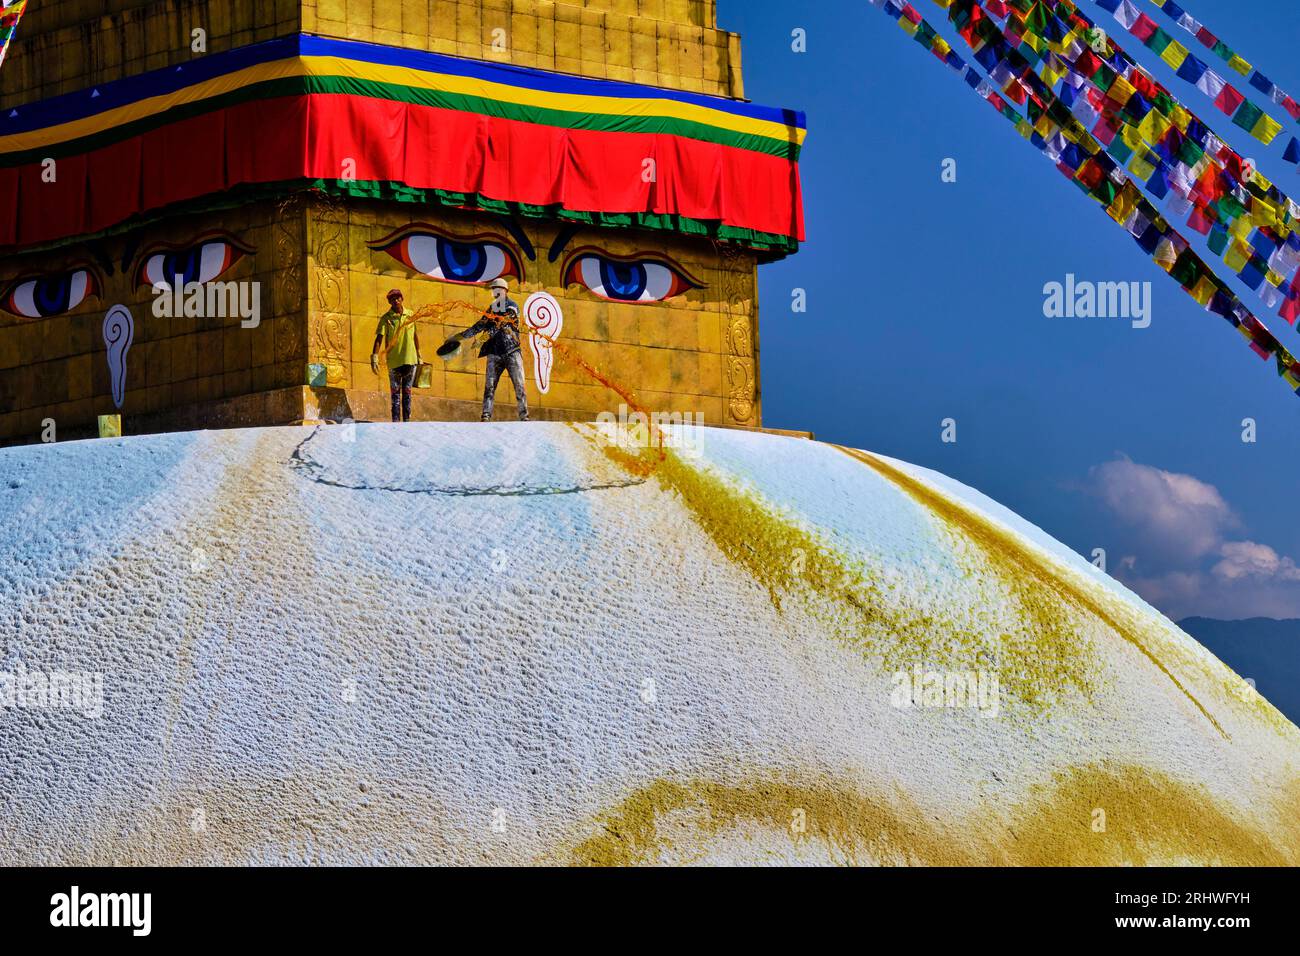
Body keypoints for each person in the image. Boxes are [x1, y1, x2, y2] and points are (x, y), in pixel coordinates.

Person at [449, 277, 529, 422]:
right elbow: (479, 326)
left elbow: (499, 324)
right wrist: (460, 337)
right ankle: (486, 414)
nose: (496, 292)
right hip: (494, 353)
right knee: (489, 386)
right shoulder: (491, 309)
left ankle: (524, 415)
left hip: (512, 351)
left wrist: (481, 340)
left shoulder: (512, 307)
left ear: (506, 291)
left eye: (498, 289)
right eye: (494, 290)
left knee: (519, 384)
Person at [371, 288, 422, 423]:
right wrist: (374, 356)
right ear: (389, 302)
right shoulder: (386, 319)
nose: (395, 300)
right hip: (394, 362)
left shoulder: (410, 315)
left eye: (397, 298)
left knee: (407, 393)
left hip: (410, 360)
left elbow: (415, 336)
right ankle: (395, 423)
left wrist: (419, 354)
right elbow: (379, 338)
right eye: (392, 299)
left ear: (402, 299)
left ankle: (407, 422)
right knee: (395, 395)